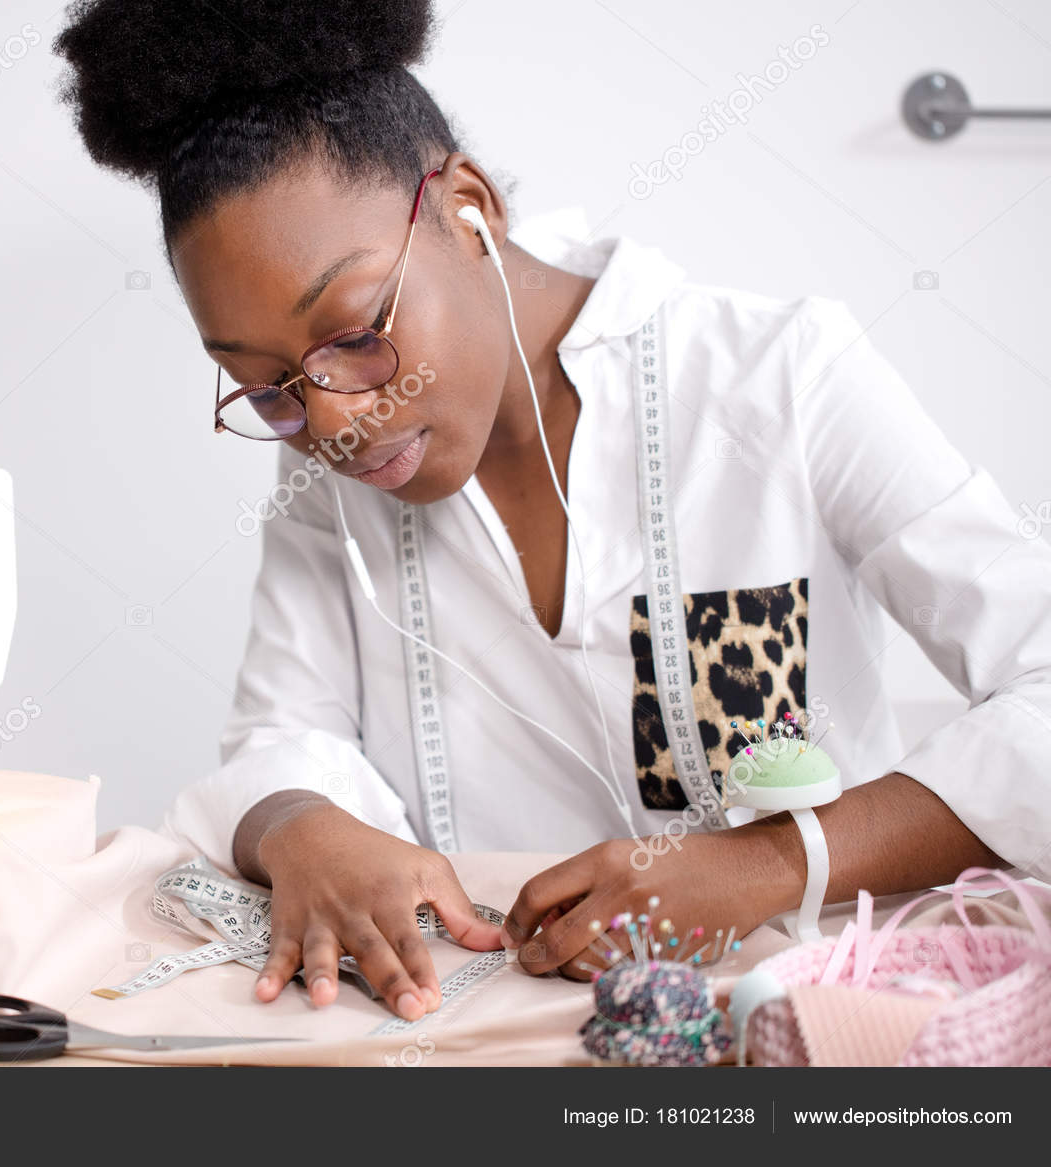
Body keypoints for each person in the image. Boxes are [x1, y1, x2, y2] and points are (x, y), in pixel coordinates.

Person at [54, 0, 1050, 1022]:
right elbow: (278, 734)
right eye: (266, 386)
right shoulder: (328, 482)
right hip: (502, 1032)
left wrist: (771, 862)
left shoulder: (778, 379)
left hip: (802, 1013)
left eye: (352, 332)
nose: (334, 418)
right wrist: (300, 827)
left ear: (468, 208)